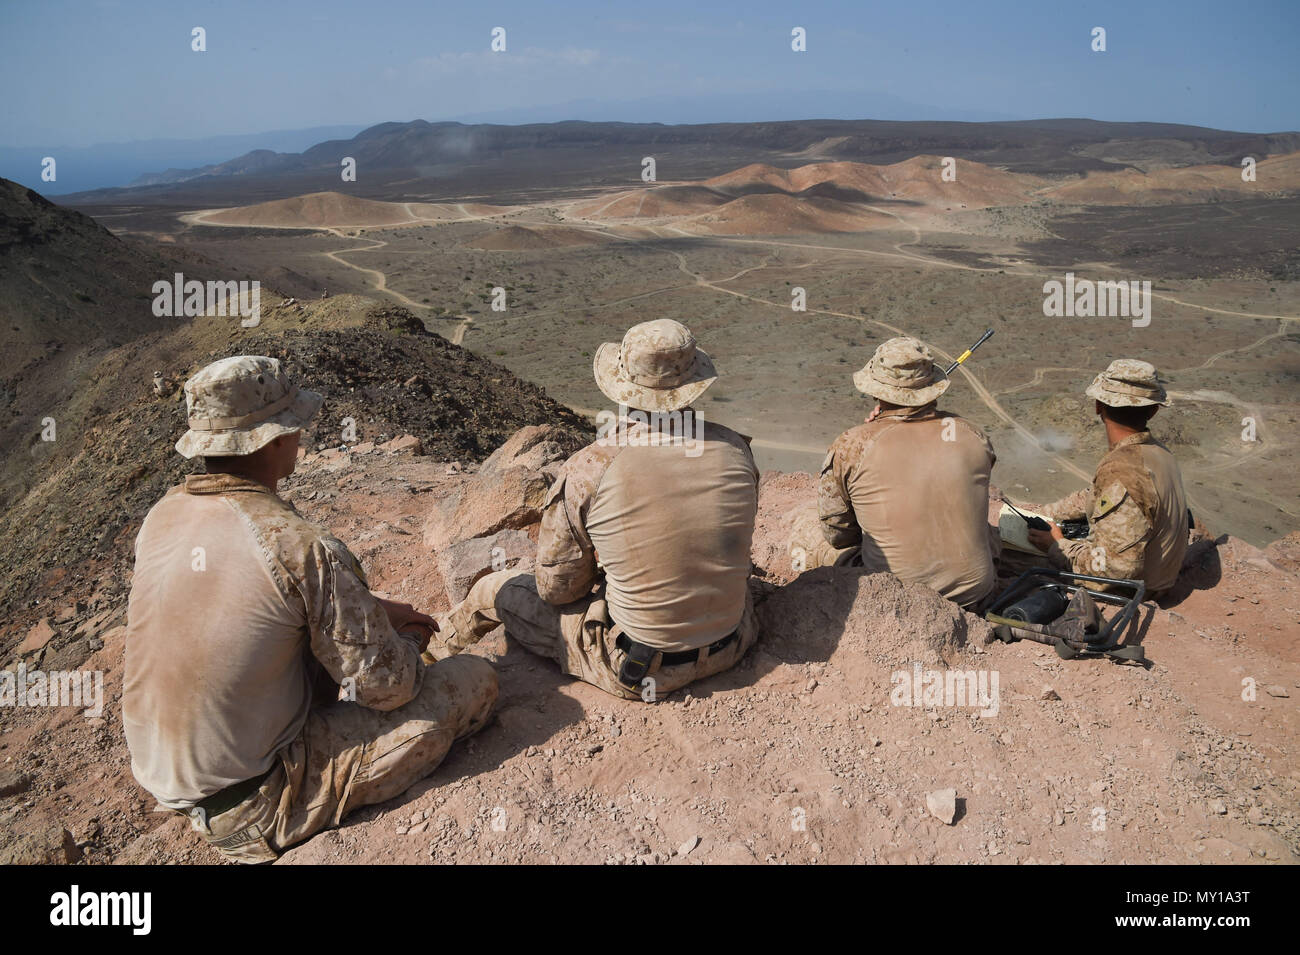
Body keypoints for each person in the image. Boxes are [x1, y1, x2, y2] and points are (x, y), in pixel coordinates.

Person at [123, 355, 497, 863]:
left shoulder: (162, 515)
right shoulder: (301, 547)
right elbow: (389, 690)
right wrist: (406, 640)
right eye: (294, 427)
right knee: (473, 681)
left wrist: (370, 610)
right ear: (275, 439)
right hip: (255, 801)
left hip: (171, 774)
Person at [433, 319, 759, 701]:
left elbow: (558, 591)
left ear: (622, 387)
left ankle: (430, 661)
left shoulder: (591, 468)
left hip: (639, 667)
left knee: (491, 590)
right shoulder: (737, 449)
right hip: (734, 644)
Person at [789, 337, 997, 610]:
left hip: (898, 599)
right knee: (989, 532)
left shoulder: (851, 445)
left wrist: (878, 431)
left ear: (876, 391)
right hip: (977, 597)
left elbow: (839, 536)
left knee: (805, 529)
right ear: (933, 388)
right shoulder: (974, 435)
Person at [1026, 359, 1189, 597]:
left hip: (1135, 592)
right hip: (1157, 575)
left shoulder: (1124, 469)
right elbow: (1101, 497)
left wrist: (1058, 546)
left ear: (1098, 406)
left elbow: (1116, 569)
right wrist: (1046, 511)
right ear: (1153, 411)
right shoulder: (1154, 452)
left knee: (1010, 559)